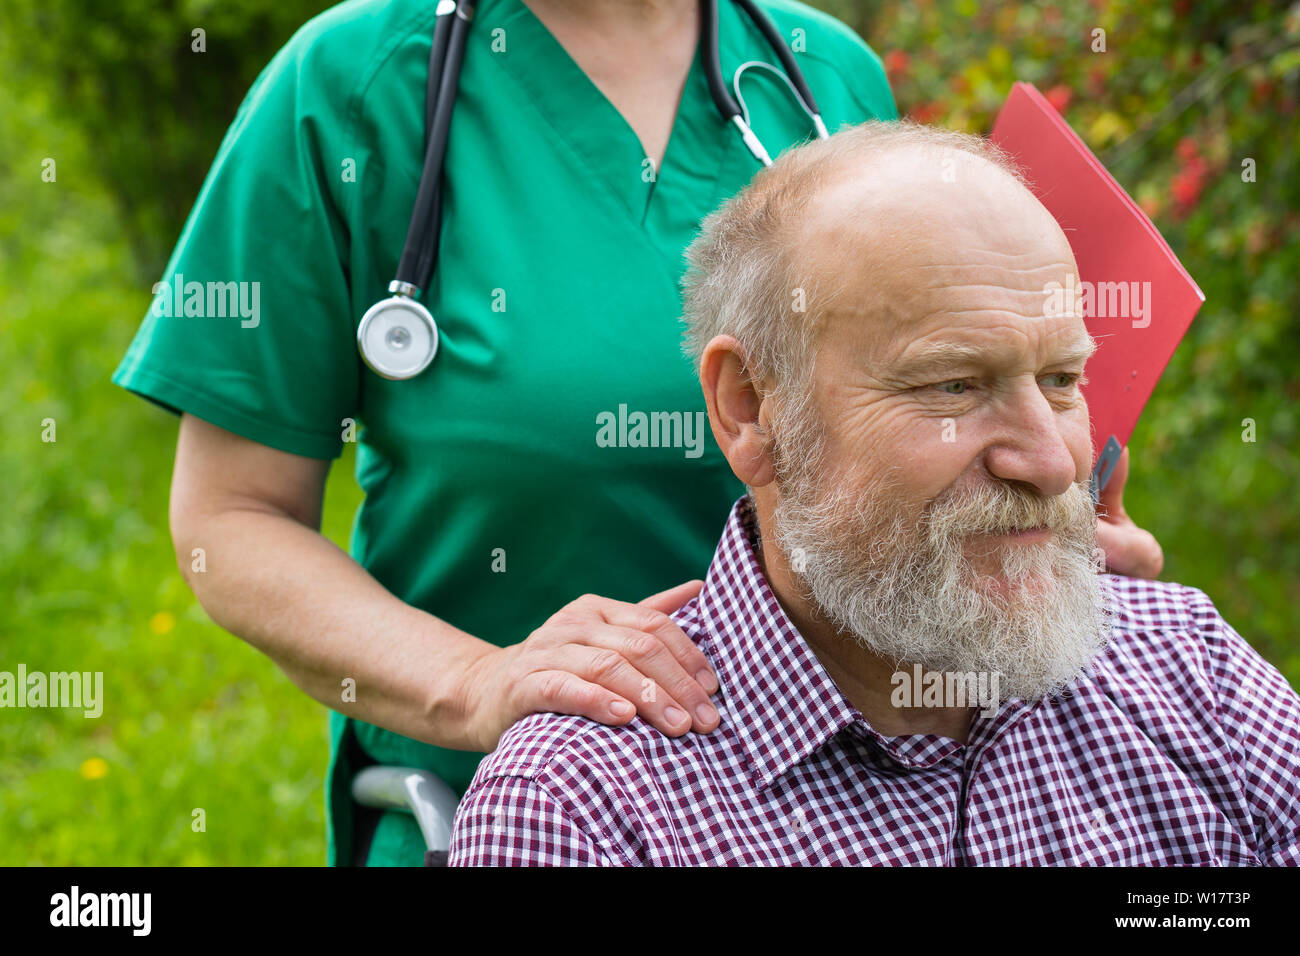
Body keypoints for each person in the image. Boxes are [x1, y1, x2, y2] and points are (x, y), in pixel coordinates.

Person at [111, 0, 1163, 866]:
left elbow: (908, 436)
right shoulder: (349, 87)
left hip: (858, 799)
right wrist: (482, 682)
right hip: (511, 807)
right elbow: (231, 519)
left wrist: (1015, 549)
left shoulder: (823, 74)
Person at [446, 121, 1300, 866]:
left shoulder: (1191, 671)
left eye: (1064, 378)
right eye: (954, 386)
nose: (1049, 462)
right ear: (750, 407)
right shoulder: (588, 809)